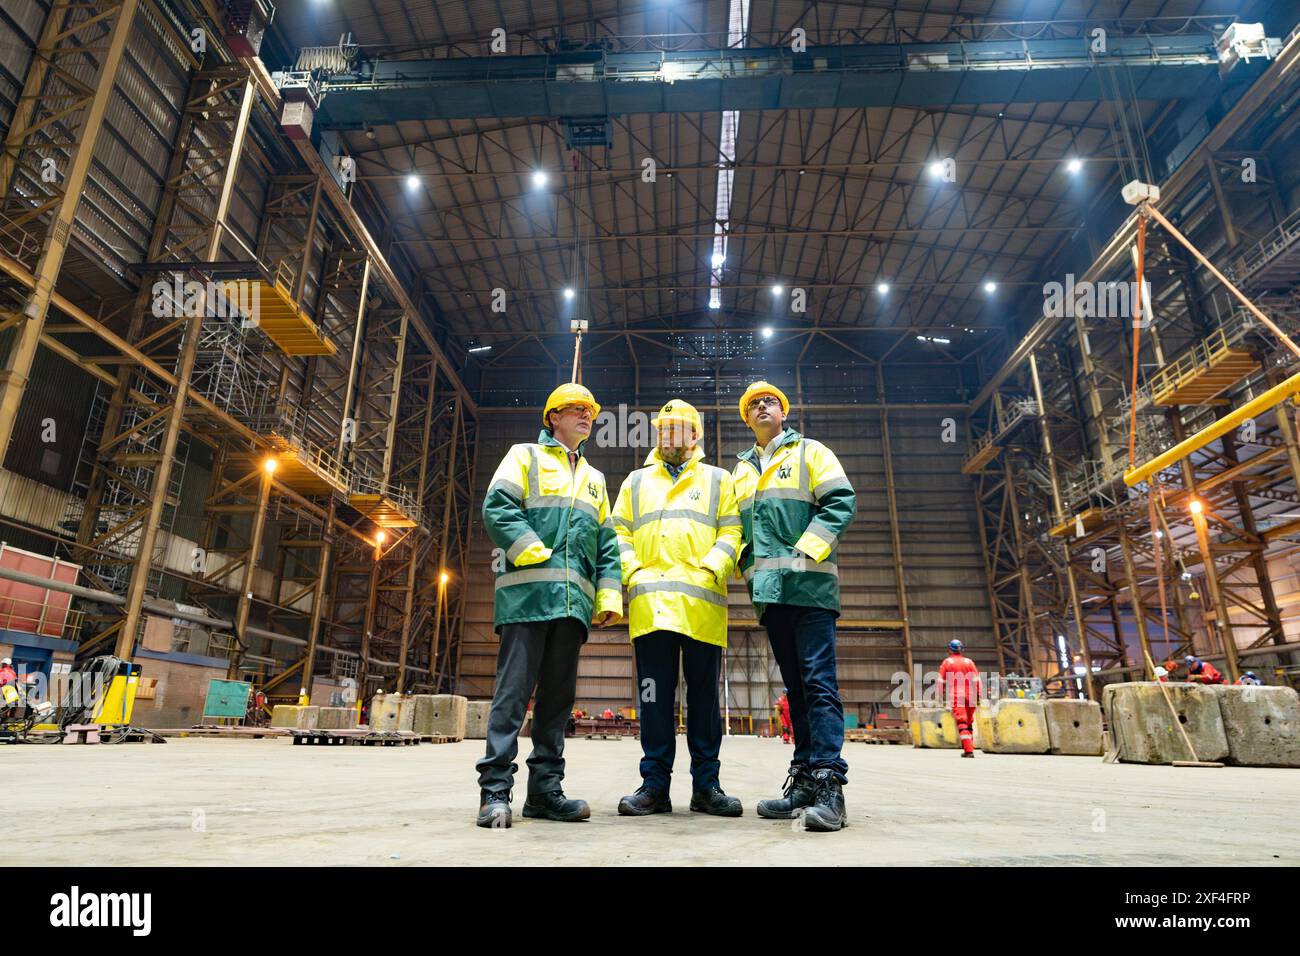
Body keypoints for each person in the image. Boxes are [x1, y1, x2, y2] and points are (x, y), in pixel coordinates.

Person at [475, 382, 623, 828]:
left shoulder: (595, 480)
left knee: (557, 702)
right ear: (552, 417)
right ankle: (495, 791)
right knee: (513, 696)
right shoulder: (525, 457)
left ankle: (544, 791)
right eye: (576, 409)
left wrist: (608, 596)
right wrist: (533, 551)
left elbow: (607, 545)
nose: (587, 416)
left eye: (591, 411)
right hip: (526, 598)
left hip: (572, 606)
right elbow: (497, 506)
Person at [733, 382, 857, 831]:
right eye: (754, 405)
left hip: (812, 589)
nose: (763, 407)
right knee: (797, 691)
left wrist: (807, 551)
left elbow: (841, 502)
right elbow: (739, 533)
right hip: (771, 595)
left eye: (770, 402)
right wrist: (751, 572)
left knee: (819, 684)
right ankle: (804, 780)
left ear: (783, 413)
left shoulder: (811, 453)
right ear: (747, 420)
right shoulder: (741, 471)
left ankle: (829, 786)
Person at [613, 399, 744, 817]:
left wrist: (713, 567)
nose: (669, 435)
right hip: (652, 603)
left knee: (704, 702)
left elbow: (733, 528)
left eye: (678, 428)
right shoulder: (635, 482)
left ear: (694, 435)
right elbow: (619, 532)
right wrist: (633, 572)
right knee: (654, 700)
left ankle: (707, 787)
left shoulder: (719, 480)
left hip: (701, 603)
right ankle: (655, 786)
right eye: (663, 428)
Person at [938, 639, 982, 757]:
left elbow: (940, 681)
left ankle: (968, 751)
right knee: (969, 722)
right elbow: (977, 680)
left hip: (958, 695)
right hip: (971, 695)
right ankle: (969, 746)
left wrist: (940, 696)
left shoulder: (947, 662)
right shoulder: (969, 662)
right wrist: (979, 695)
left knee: (962, 722)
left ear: (949, 650)